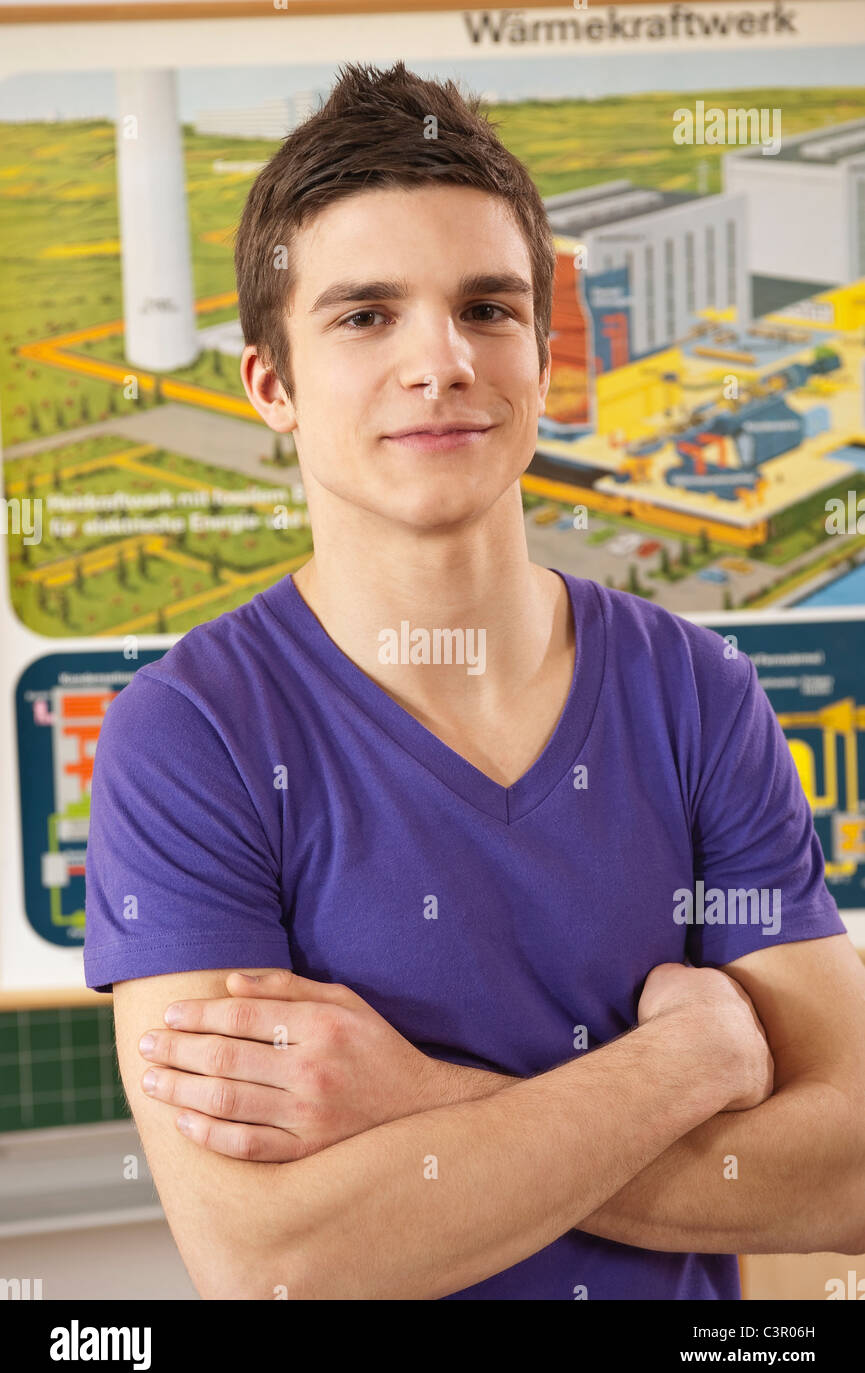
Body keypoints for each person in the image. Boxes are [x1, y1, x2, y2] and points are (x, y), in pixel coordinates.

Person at [84, 62, 865, 1300]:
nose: (440, 360)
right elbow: (277, 1259)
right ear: (271, 385)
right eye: (364, 315)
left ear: (542, 364)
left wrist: (420, 1102)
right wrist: (684, 1065)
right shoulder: (189, 738)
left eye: (489, 309)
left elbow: (846, 1178)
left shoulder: (698, 696)